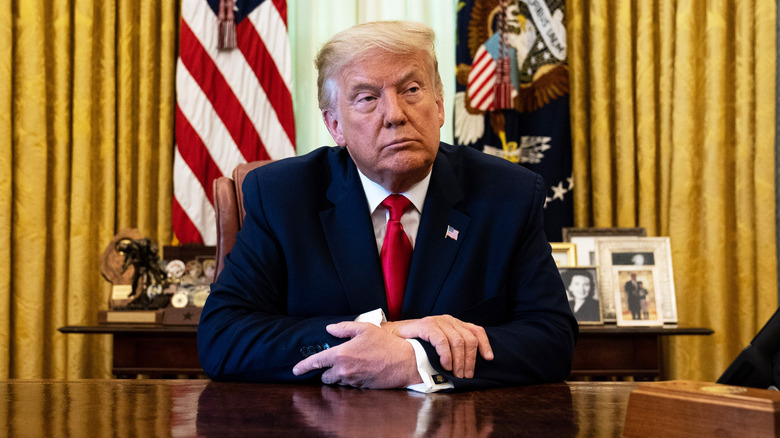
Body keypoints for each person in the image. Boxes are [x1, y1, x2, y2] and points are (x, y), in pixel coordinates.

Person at [197, 20, 577, 392]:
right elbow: (222, 336)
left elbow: (552, 338)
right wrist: (384, 333)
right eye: (367, 98)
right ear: (335, 126)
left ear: (441, 106)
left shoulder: (508, 194)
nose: (395, 114)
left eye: (412, 89)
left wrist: (415, 358)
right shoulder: (282, 194)